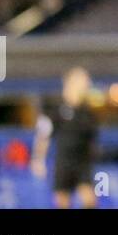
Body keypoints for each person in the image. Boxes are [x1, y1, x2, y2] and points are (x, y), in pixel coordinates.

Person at [32, 66, 99, 208]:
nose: (86, 84)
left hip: (83, 163)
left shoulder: (88, 112)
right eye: (82, 81)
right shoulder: (55, 109)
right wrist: (38, 159)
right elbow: (43, 135)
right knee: (62, 202)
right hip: (63, 162)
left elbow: (92, 140)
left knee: (89, 200)